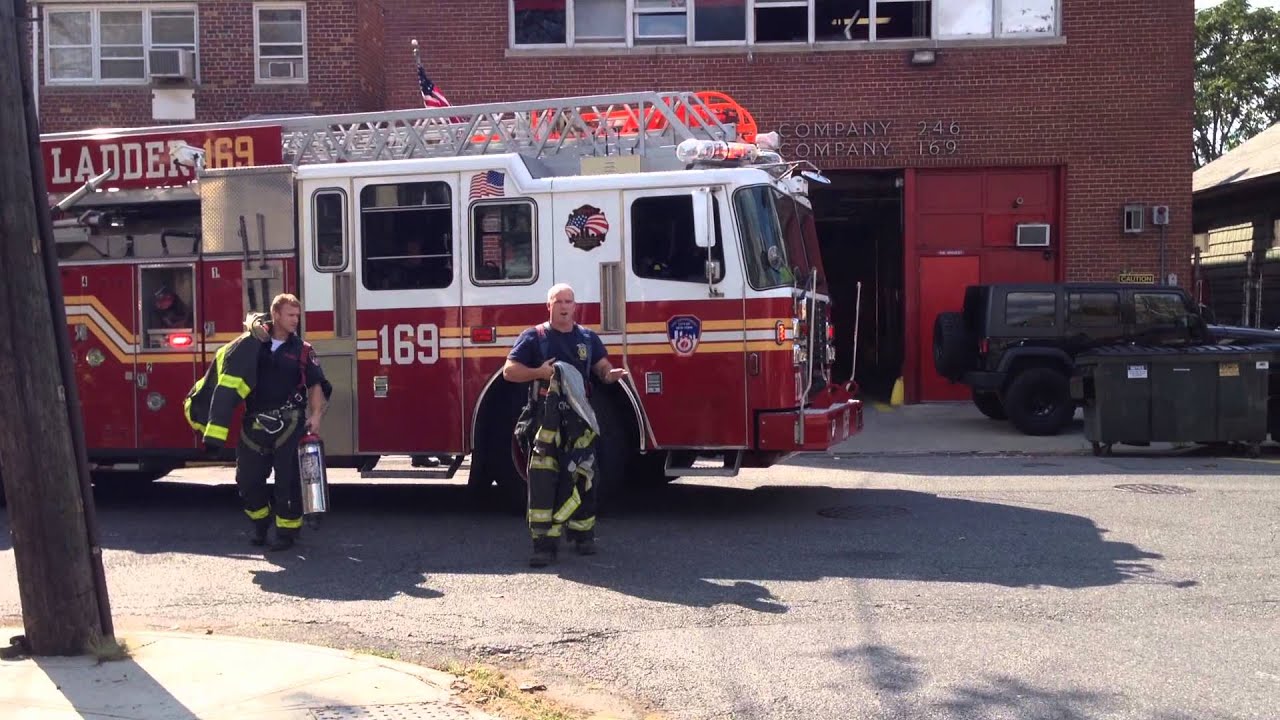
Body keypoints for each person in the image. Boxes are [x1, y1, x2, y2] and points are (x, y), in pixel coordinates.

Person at [183, 293, 332, 551]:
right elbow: (225, 378)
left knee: (289, 481)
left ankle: (286, 532)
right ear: (275, 315)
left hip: (290, 422)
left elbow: (315, 385)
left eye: (298, 315)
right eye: (290, 315)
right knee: (248, 480)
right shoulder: (251, 346)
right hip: (254, 424)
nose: (296, 320)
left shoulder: (304, 350)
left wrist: (316, 415)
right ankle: (260, 523)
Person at [502, 283, 628, 567]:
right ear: (548, 305)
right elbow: (509, 371)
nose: (564, 306)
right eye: (558, 301)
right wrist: (540, 372)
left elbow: (602, 369)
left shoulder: (587, 338)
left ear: (575, 306)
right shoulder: (534, 337)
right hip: (546, 422)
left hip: (579, 421)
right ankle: (544, 545)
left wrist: (611, 375)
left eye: (568, 301)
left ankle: (583, 536)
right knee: (544, 482)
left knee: (585, 476)